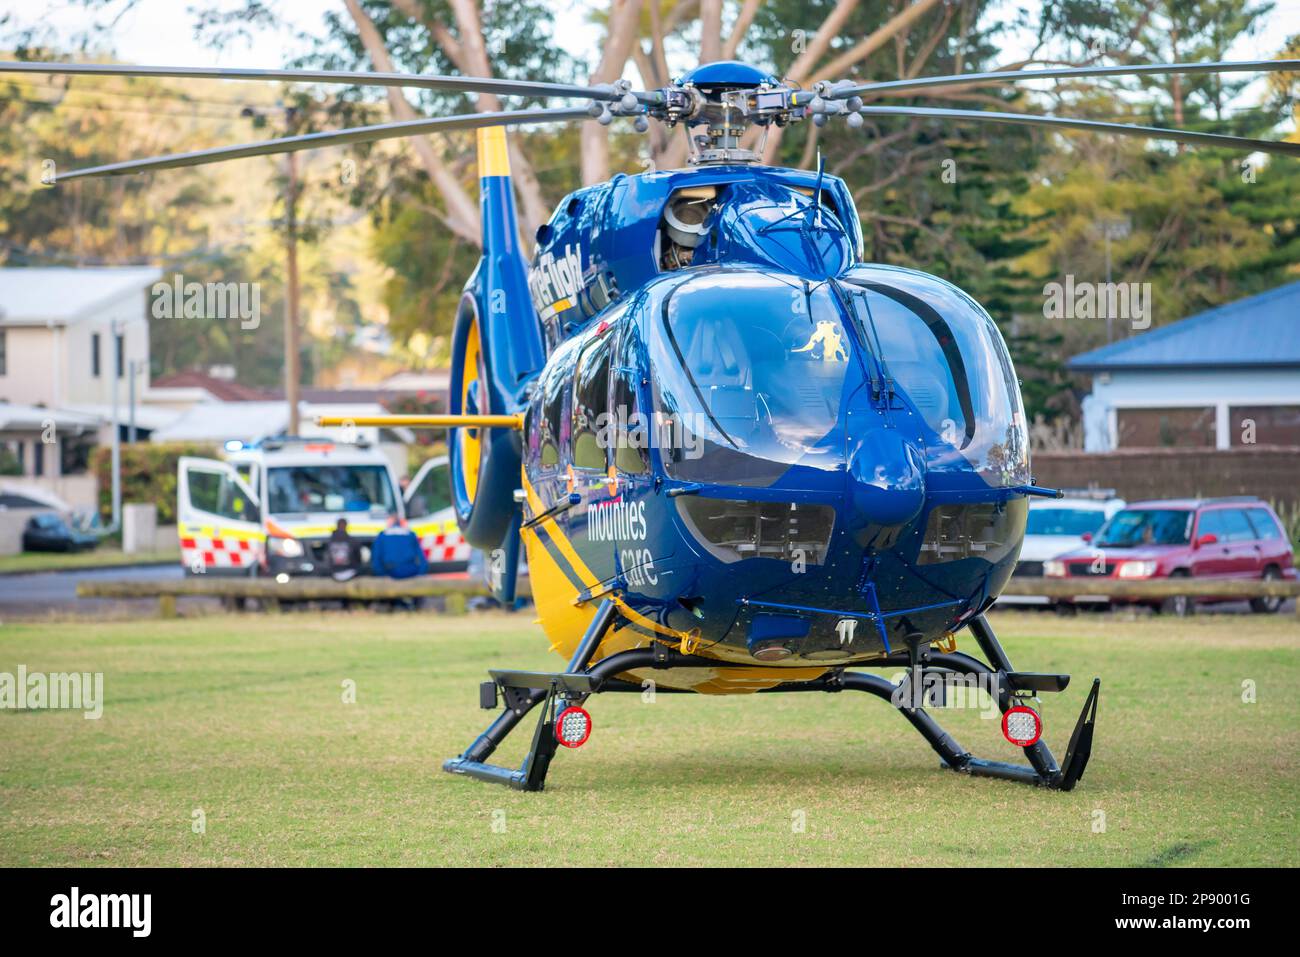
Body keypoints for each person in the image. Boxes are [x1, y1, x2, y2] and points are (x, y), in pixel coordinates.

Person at [370, 512, 429, 580]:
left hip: (391, 572)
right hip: (411, 571)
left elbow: (376, 559)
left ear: (389, 522)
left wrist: (382, 574)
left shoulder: (382, 536)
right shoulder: (410, 534)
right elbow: (421, 557)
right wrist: (420, 573)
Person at [327, 518, 359, 582]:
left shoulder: (330, 541)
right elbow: (358, 558)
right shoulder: (351, 540)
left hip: (333, 573)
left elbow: (327, 558)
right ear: (346, 526)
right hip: (350, 572)